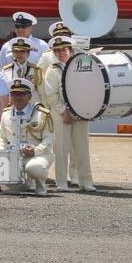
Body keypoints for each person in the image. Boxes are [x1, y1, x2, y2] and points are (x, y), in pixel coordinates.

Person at [39, 35, 95, 191]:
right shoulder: (52, 69)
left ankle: (86, 181)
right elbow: (51, 95)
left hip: (80, 112)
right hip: (60, 113)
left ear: (70, 50)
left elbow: (89, 88)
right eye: (57, 50)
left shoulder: (80, 65)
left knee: (82, 148)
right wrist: (64, 112)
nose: (61, 53)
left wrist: (85, 109)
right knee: (61, 149)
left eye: (63, 49)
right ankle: (62, 182)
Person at [0, 77, 54, 196]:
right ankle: (25, 184)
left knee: (34, 167)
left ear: (29, 96)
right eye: (15, 94)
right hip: (14, 155)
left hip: (38, 155)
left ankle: (40, 185)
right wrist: (1, 154)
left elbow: (49, 138)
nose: (18, 97)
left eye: (22, 94)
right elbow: (0, 137)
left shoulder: (41, 114)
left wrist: (35, 151)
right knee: (10, 184)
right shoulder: (6, 114)